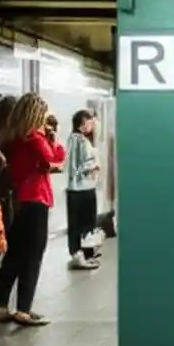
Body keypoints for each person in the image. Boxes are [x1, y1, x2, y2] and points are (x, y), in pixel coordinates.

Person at [0, 94, 63, 327]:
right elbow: (52, 160)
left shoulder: (10, 139)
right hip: (36, 200)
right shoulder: (35, 138)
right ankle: (23, 309)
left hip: (16, 200)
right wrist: (54, 141)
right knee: (33, 255)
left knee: (13, 254)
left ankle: (1, 307)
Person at [64, 110, 101, 270]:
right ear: (82, 123)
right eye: (90, 122)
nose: (92, 126)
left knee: (82, 223)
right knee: (81, 224)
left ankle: (83, 254)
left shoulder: (77, 139)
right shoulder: (78, 141)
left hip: (81, 188)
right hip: (81, 189)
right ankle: (80, 255)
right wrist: (94, 166)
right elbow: (77, 166)